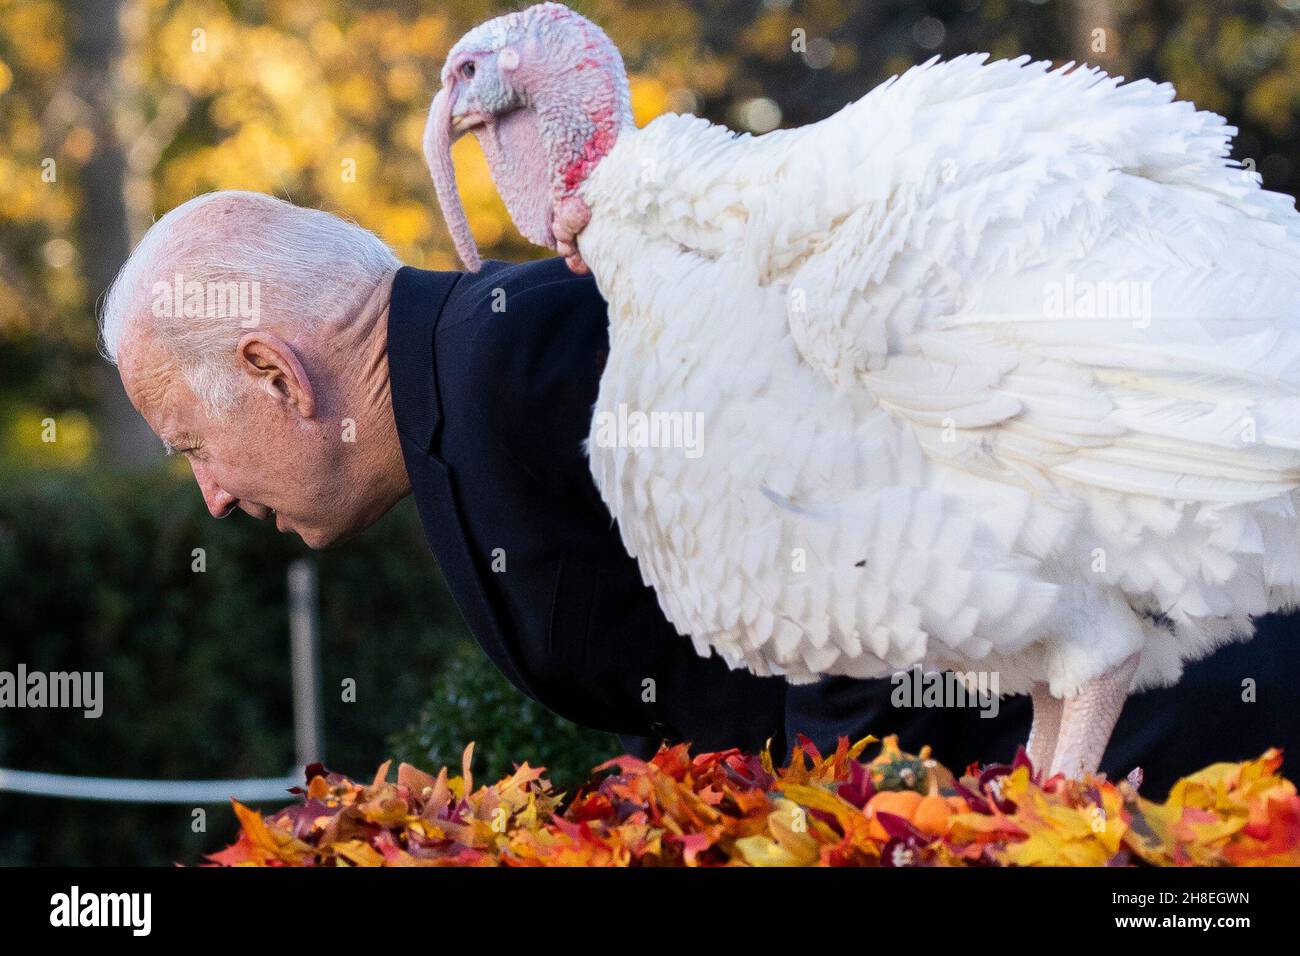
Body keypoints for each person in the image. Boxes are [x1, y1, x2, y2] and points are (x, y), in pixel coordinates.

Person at [102, 190, 1296, 795]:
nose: (208, 496)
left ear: (270, 368)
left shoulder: (526, 350)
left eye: (189, 440)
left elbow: (845, 537)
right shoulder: (463, 389)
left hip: (1144, 740)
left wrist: (853, 818)